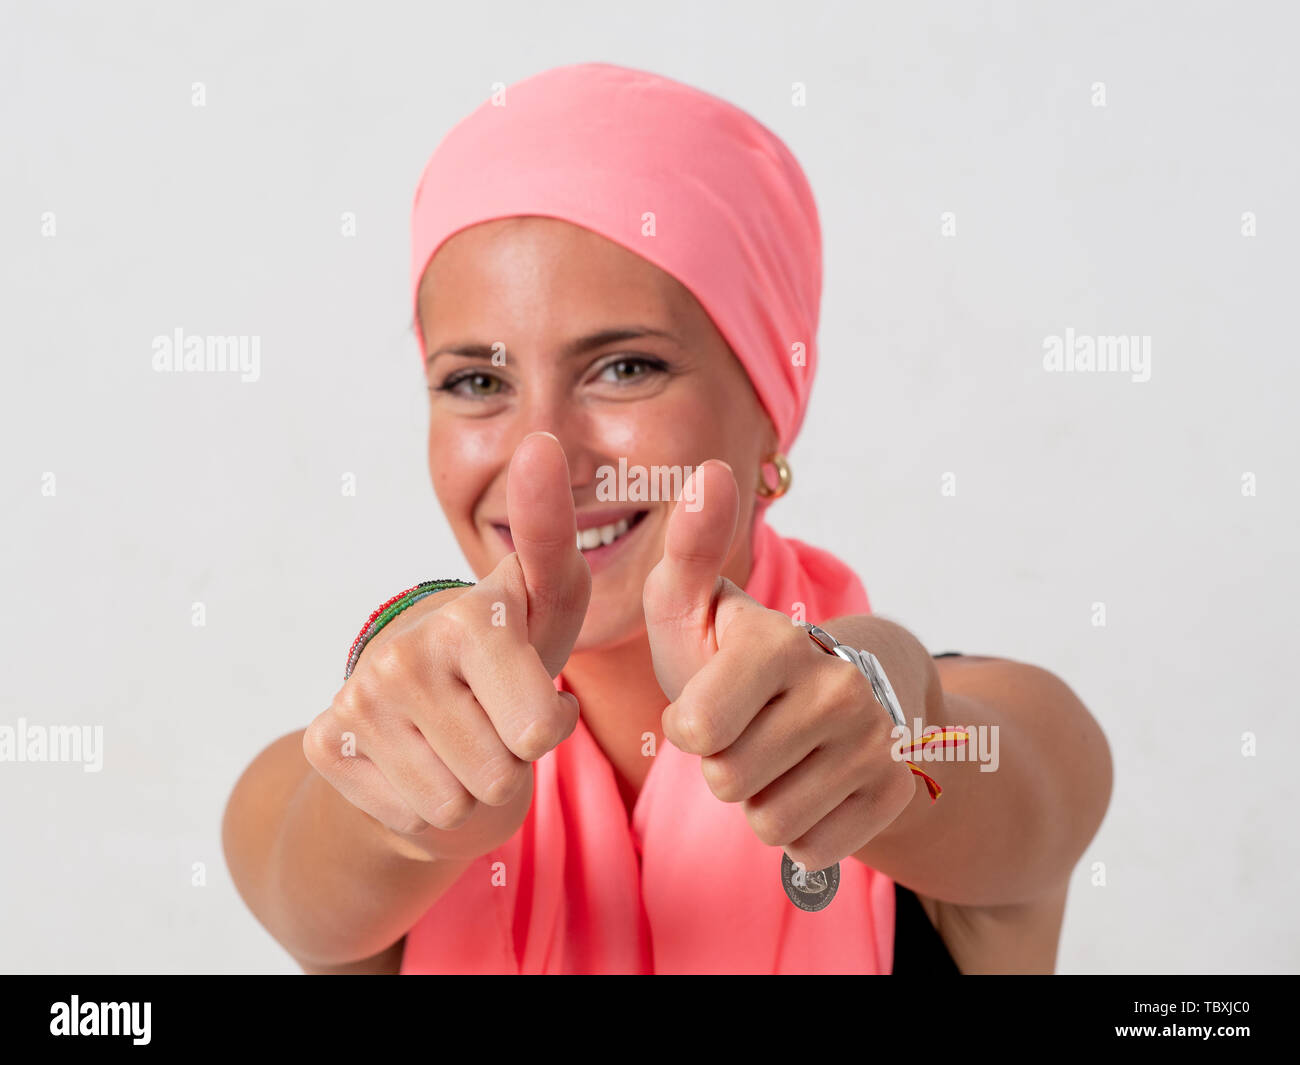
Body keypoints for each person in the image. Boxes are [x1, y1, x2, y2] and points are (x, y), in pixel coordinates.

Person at [222, 62, 1112, 975]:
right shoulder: (335, 772)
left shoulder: (1012, 730)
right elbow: (314, 886)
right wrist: (411, 808)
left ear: (772, 400)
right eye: (477, 382)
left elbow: (985, 762)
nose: (546, 459)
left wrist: (880, 702)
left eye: (625, 368)